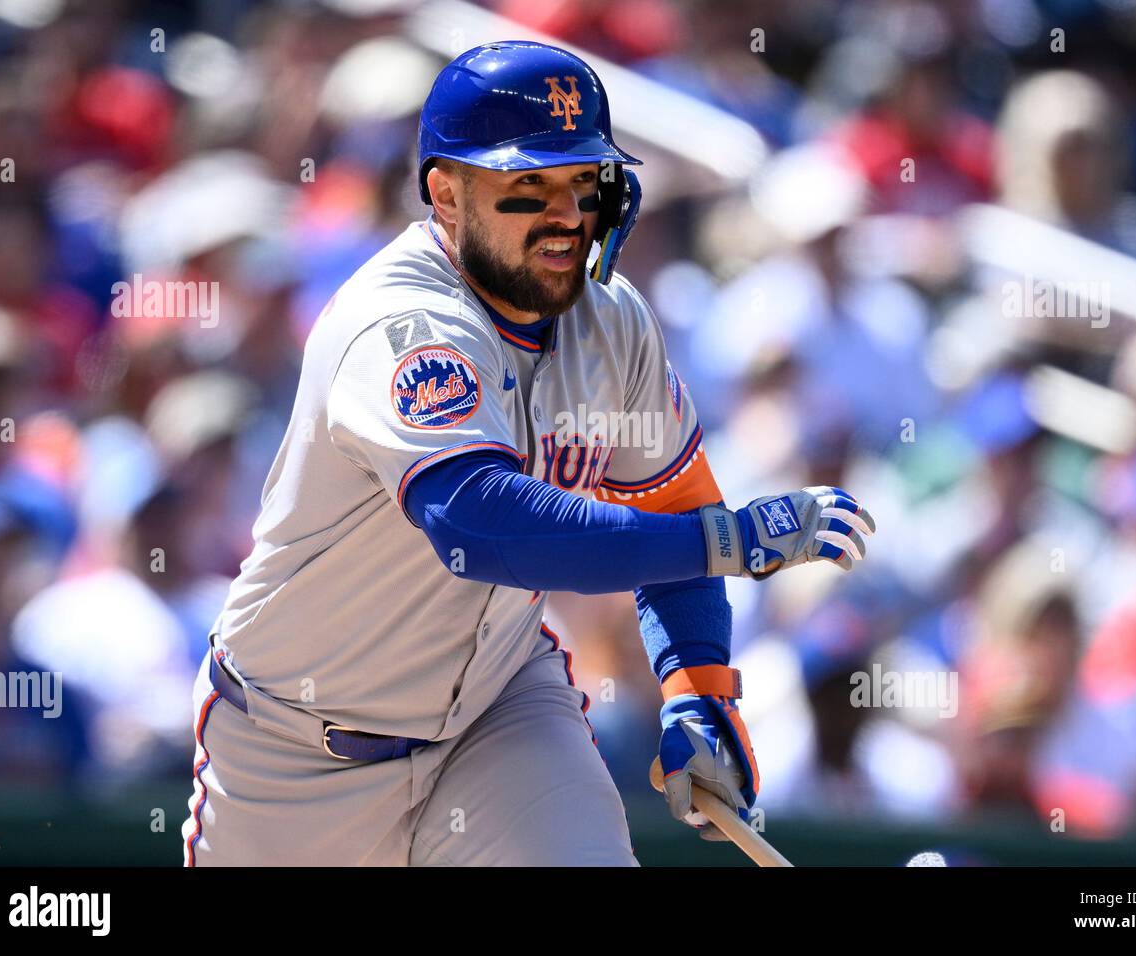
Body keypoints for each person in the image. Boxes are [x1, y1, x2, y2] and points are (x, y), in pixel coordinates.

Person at [180, 40, 874, 866]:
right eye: (527, 187)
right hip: (297, 742)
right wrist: (731, 540)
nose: (564, 217)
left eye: (583, 185)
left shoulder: (613, 321)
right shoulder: (401, 322)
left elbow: (675, 507)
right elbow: (482, 527)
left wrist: (699, 695)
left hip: (499, 712)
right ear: (446, 194)